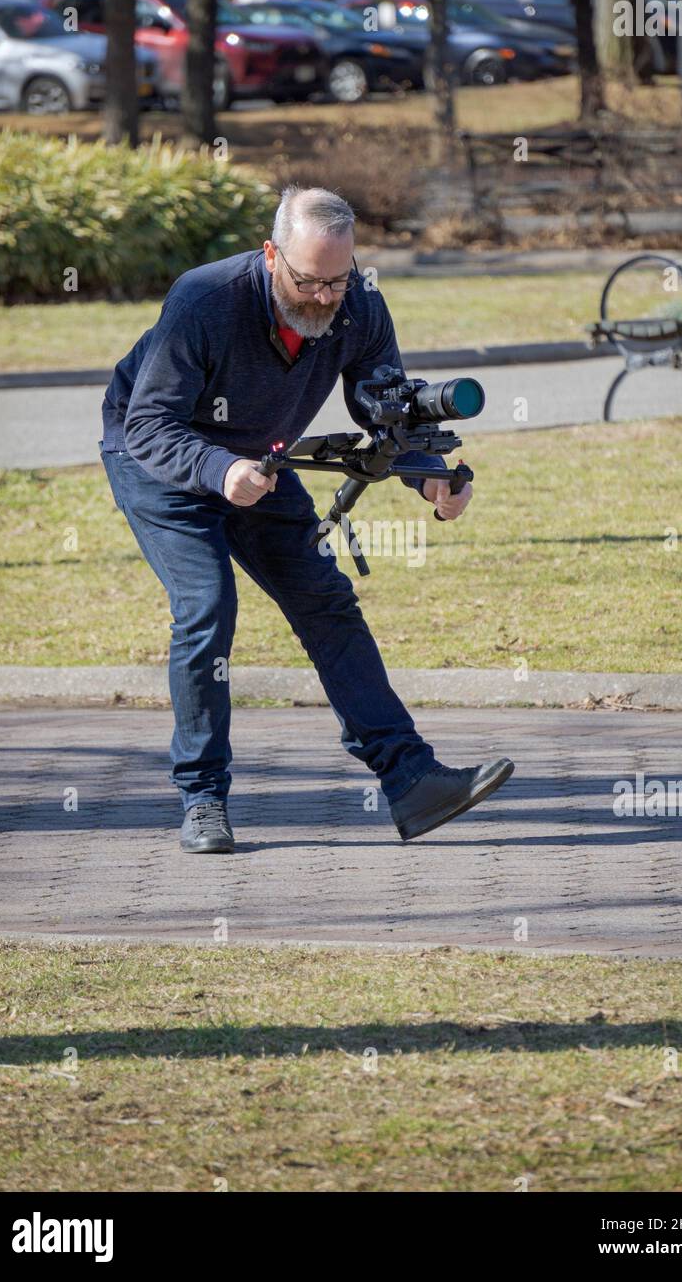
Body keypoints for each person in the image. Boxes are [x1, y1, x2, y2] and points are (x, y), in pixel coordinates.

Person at [100, 185, 513, 854]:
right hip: (158, 461)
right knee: (206, 607)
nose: (324, 297)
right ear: (271, 255)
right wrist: (217, 471)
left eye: (337, 281)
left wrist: (430, 478)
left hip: (258, 460)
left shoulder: (357, 305)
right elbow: (148, 423)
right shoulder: (206, 300)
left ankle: (411, 779)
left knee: (326, 599)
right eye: (308, 281)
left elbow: (386, 409)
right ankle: (202, 798)